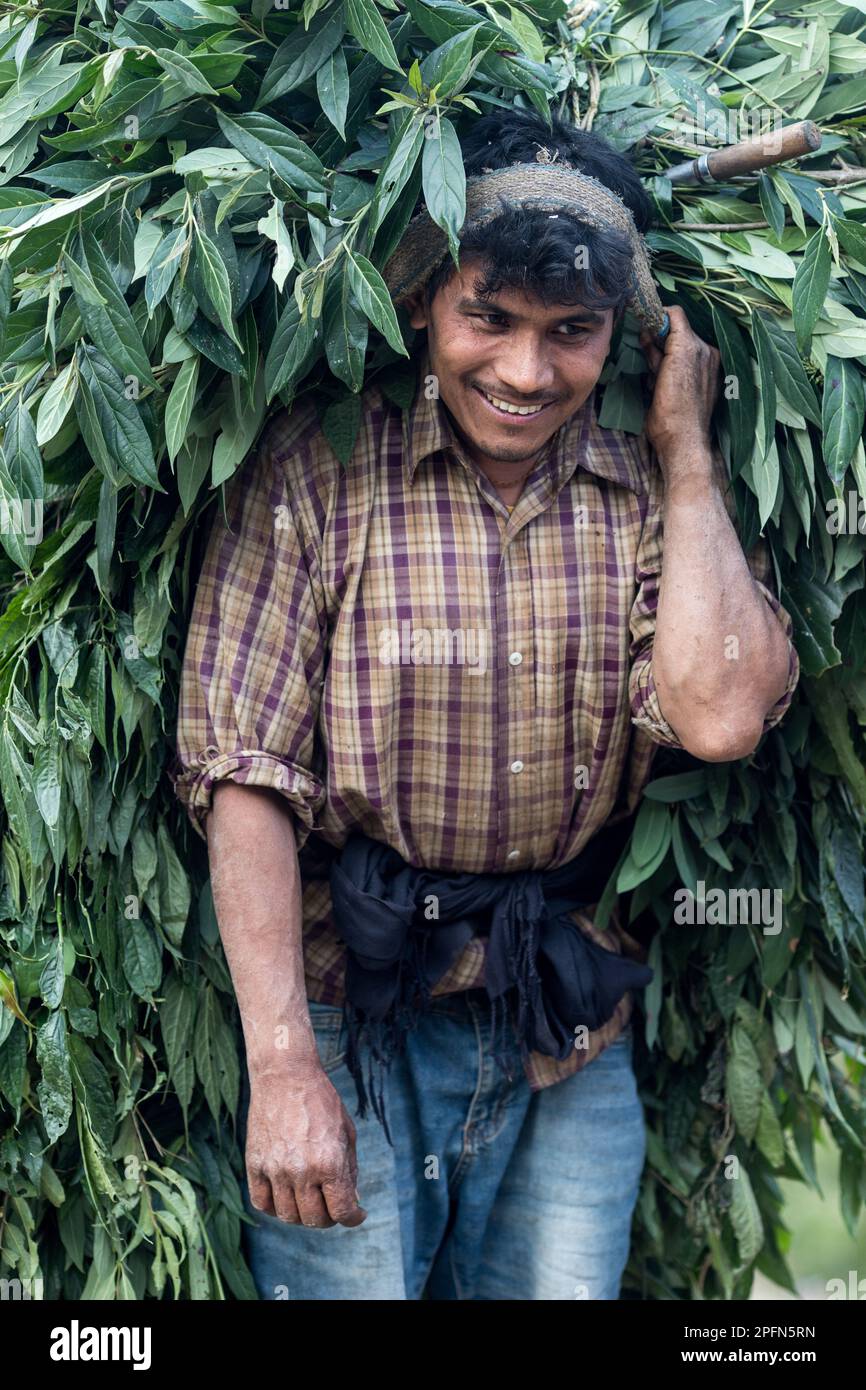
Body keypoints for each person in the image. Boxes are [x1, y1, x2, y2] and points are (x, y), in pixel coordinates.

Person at [172, 108, 800, 1300]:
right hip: (350, 1021)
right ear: (421, 304)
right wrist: (282, 1067)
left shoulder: (641, 491)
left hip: (561, 1019)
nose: (523, 373)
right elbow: (244, 774)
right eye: (488, 320)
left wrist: (685, 457)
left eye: (570, 333)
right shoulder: (319, 469)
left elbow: (719, 714)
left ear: (622, 334)